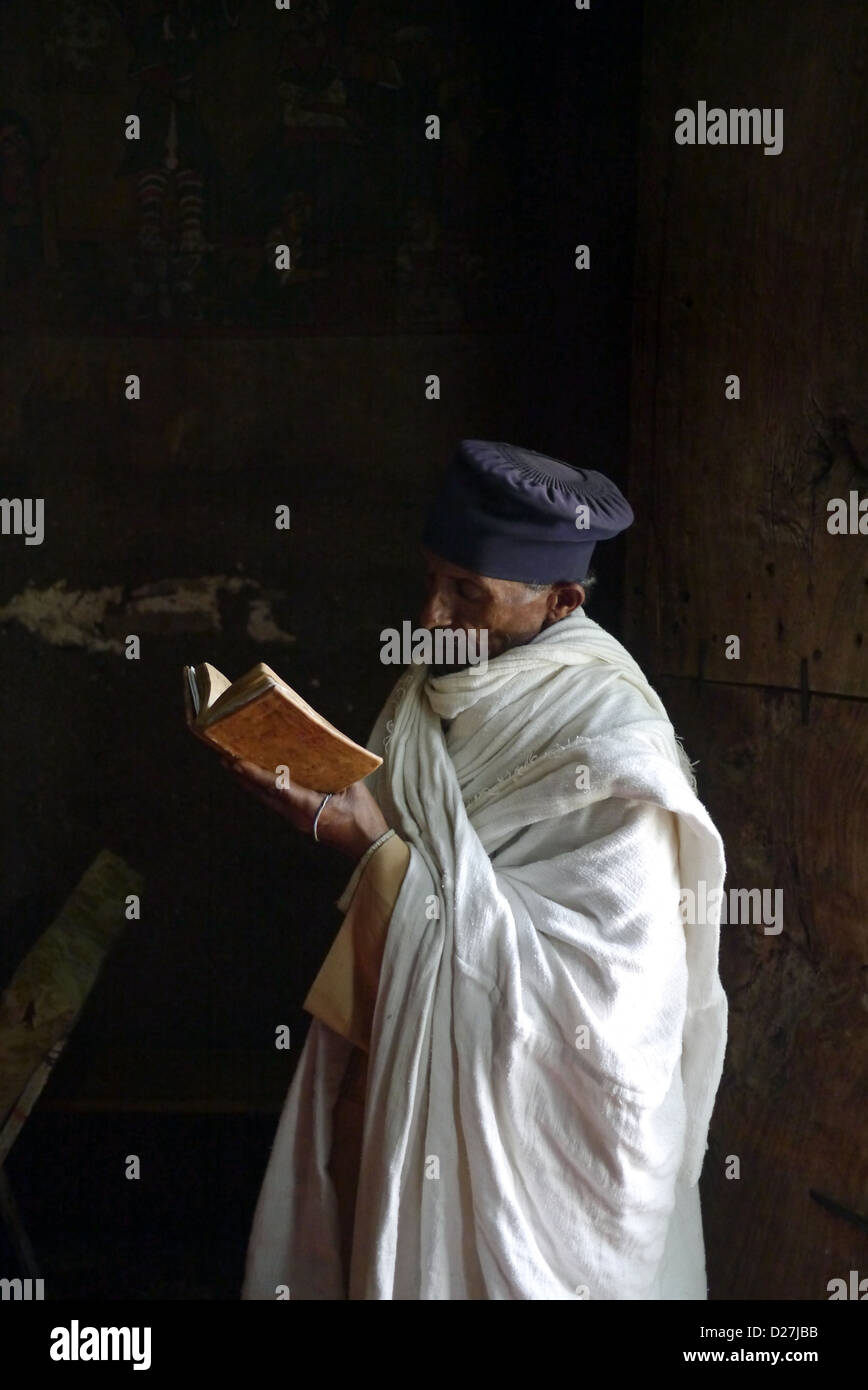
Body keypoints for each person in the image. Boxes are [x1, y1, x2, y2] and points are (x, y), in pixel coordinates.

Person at [233, 439, 728, 1300]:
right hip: (390, 1068)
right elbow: (423, 860)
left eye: (467, 593)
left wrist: (371, 847)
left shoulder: (613, 737)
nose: (430, 617)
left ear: (562, 599)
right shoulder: (435, 683)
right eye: (431, 577)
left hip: (534, 1148)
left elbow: (604, 1008)